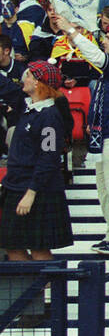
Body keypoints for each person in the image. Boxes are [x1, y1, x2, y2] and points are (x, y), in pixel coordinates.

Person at [51, 12, 109, 255]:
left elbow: (93, 55)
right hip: (104, 136)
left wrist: (71, 30)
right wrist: (91, 122)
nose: (104, 41)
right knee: (103, 189)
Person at [0, 61, 72, 264]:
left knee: (39, 250)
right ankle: (32, 294)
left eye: (30, 76)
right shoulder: (27, 107)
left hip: (36, 190)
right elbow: (7, 88)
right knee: (13, 247)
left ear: (40, 83)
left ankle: (51, 294)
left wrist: (31, 193)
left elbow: (49, 158)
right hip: (16, 185)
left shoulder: (50, 117)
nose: (25, 79)